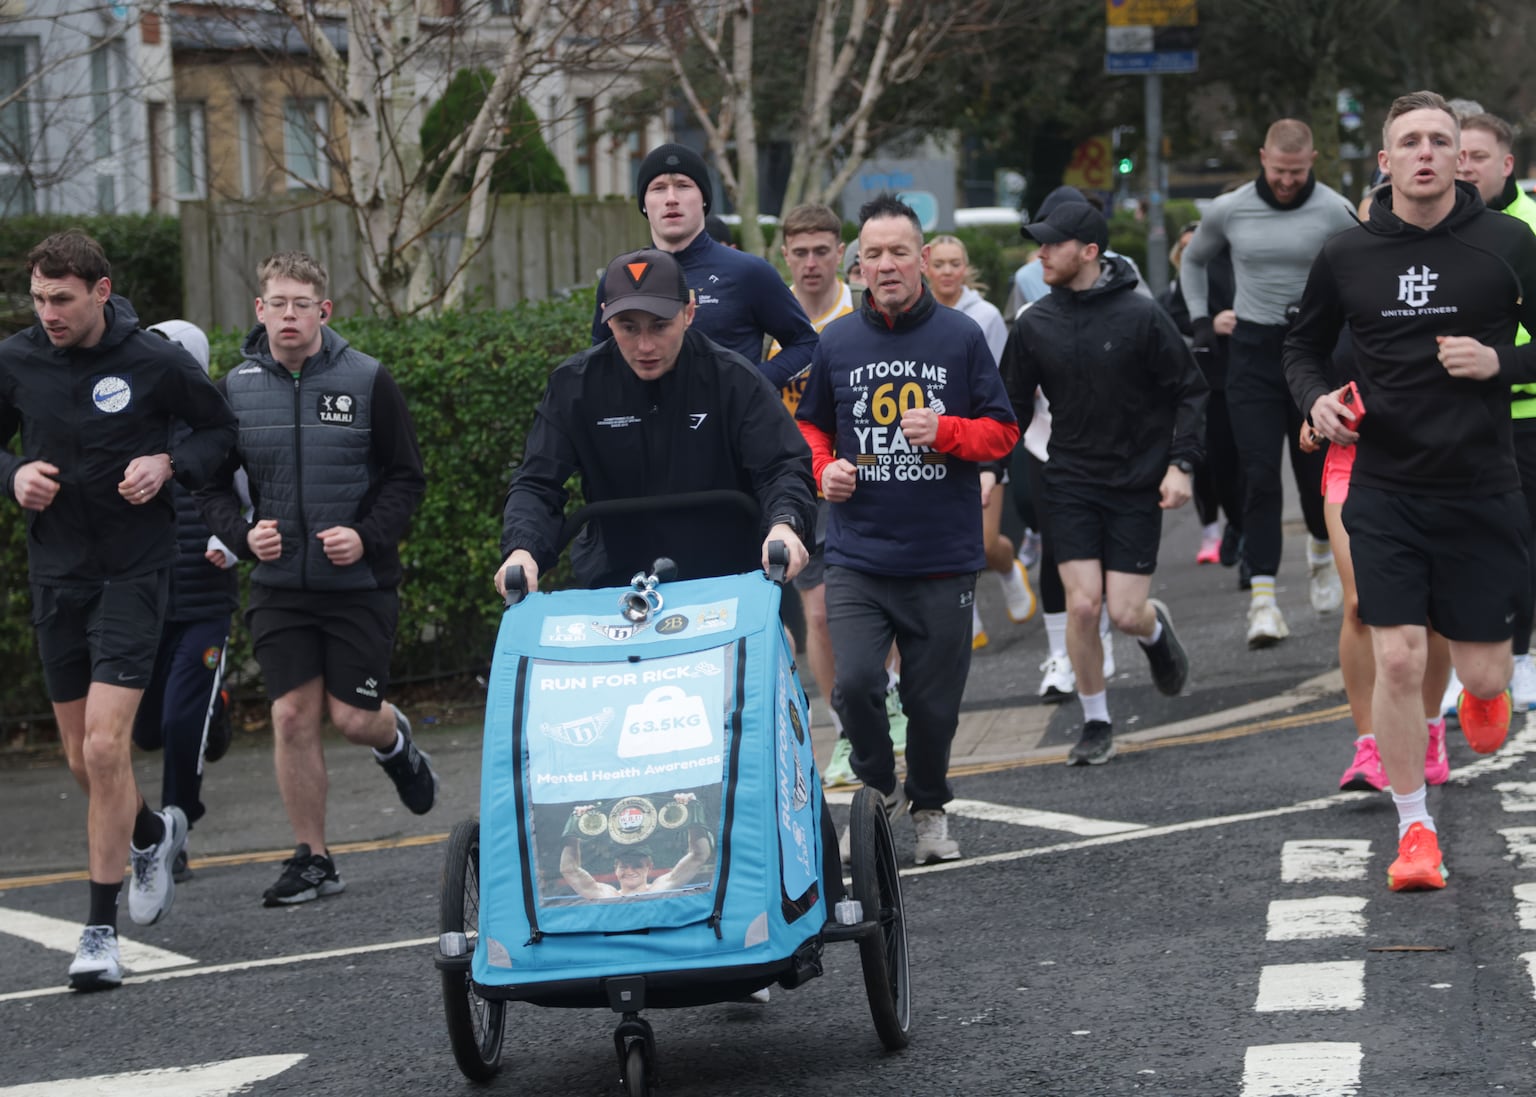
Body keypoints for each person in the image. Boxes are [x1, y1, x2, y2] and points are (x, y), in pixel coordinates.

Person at [1284, 90, 1536, 892]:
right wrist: (1316, 401)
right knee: (1396, 655)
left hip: (1480, 485)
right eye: (1409, 142)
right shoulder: (1345, 254)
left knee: (1487, 673)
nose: (1425, 153)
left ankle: (1482, 696)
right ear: (1385, 161)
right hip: (1385, 486)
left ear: (1462, 157)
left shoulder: (1508, 243)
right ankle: (1414, 827)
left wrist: (1502, 363)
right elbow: (1300, 345)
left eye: (1440, 140)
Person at [0, 230, 237, 991]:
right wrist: (13, 475)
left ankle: (98, 932)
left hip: (134, 572)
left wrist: (168, 462)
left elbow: (220, 432)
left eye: (61, 299)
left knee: (107, 750)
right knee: (81, 759)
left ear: (101, 291)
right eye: (37, 299)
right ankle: (148, 832)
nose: (47, 314)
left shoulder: (154, 360)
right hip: (58, 573)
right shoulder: (17, 360)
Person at [197, 251, 436, 909]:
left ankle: (397, 743)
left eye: (303, 304)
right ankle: (315, 857)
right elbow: (210, 486)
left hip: (357, 583)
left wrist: (366, 534)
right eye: (278, 303)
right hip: (280, 585)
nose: (290, 316)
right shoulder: (235, 387)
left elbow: (406, 477)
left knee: (353, 718)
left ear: (324, 312)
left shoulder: (367, 380)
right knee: (292, 715)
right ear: (260, 310)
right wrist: (244, 537)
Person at [796, 194, 1021, 864]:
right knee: (857, 682)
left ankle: (929, 806)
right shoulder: (836, 341)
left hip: (941, 556)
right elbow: (811, 425)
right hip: (859, 554)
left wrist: (947, 431)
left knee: (933, 708)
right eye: (874, 254)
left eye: (900, 252)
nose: (887, 265)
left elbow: (1002, 430)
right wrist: (823, 468)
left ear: (922, 259)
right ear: (856, 265)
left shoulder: (959, 337)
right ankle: (876, 788)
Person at [1000, 202, 1206, 766]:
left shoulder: (1140, 316)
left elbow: (1190, 390)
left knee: (1123, 612)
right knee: (1084, 608)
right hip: (1067, 479)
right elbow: (1008, 411)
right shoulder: (1034, 323)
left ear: (1089, 252)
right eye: (1036, 243)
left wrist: (1181, 464)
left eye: (1052, 244)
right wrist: (984, 466)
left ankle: (1153, 631)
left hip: (1136, 482)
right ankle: (1096, 722)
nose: (1039, 253)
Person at [499, 247, 815, 593]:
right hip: (614, 579)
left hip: (727, 579)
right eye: (628, 327)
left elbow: (782, 467)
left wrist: (785, 524)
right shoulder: (575, 385)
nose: (645, 346)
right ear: (605, 318)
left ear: (689, 313)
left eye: (660, 326)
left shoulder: (735, 379)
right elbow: (537, 482)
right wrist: (522, 549)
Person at [1181, 119, 1359, 648]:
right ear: (1262, 158)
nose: (1287, 181)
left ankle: (1322, 554)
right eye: (1279, 171)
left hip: (1313, 352)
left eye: (1297, 172)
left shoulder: (1332, 208)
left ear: (1314, 161)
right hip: (1254, 353)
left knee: (1314, 478)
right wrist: (1200, 319)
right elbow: (1193, 258)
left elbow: (1362, 268)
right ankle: (1263, 599)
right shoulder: (1229, 208)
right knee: (1258, 474)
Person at [130, 320, 241, 883]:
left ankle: (176, 830)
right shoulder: (131, 421)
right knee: (145, 729)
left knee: (179, 721)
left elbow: (249, 494)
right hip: (142, 601)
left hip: (204, 600)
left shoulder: (215, 423)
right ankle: (217, 710)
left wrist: (232, 541)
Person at [766, 204, 864, 787]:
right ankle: (845, 730)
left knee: (881, 604)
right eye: (799, 252)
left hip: (860, 477)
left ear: (839, 251)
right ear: (785, 255)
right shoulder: (768, 318)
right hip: (800, 484)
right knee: (820, 617)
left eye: (821, 250)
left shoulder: (861, 309)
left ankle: (890, 698)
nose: (810, 263)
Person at [590, 142, 817, 391]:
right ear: (644, 203)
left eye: (683, 186)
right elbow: (600, 363)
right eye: (658, 188)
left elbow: (806, 344)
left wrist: (750, 384)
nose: (671, 199)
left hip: (731, 426)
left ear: (704, 199)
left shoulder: (749, 272)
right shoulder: (620, 278)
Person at [1457, 111, 1536, 710]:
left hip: (1527, 414)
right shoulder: (1436, 228)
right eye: (1457, 155)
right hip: (1456, 416)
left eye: (1476, 157)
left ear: (1506, 164)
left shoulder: (1527, 228)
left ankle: (1522, 657)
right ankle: (1469, 662)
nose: (1462, 166)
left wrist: (1499, 364)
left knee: (1522, 541)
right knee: (1463, 543)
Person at [928, 234, 1036, 647]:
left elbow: (1001, 381)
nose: (948, 271)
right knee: (946, 537)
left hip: (979, 437)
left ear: (966, 268)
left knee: (986, 543)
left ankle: (1009, 570)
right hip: (934, 439)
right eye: (940, 263)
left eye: (956, 263)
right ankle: (966, 616)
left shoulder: (986, 315)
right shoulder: (917, 313)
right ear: (926, 267)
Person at [1162, 221, 1245, 571]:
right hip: (1209, 382)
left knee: (1251, 465)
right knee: (1213, 465)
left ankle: (1247, 543)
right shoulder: (1190, 278)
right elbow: (1172, 317)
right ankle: (1226, 529)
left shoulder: (1245, 263)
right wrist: (1210, 324)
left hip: (1253, 377)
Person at [559, 796, 712, 899]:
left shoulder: (660, 888)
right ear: (615, 868)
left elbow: (699, 855)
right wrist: (575, 827)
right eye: (624, 865)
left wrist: (692, 812)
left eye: (637, 865)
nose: (630, 871)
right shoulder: (606, 894)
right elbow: (569, 869)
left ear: (649, 867)